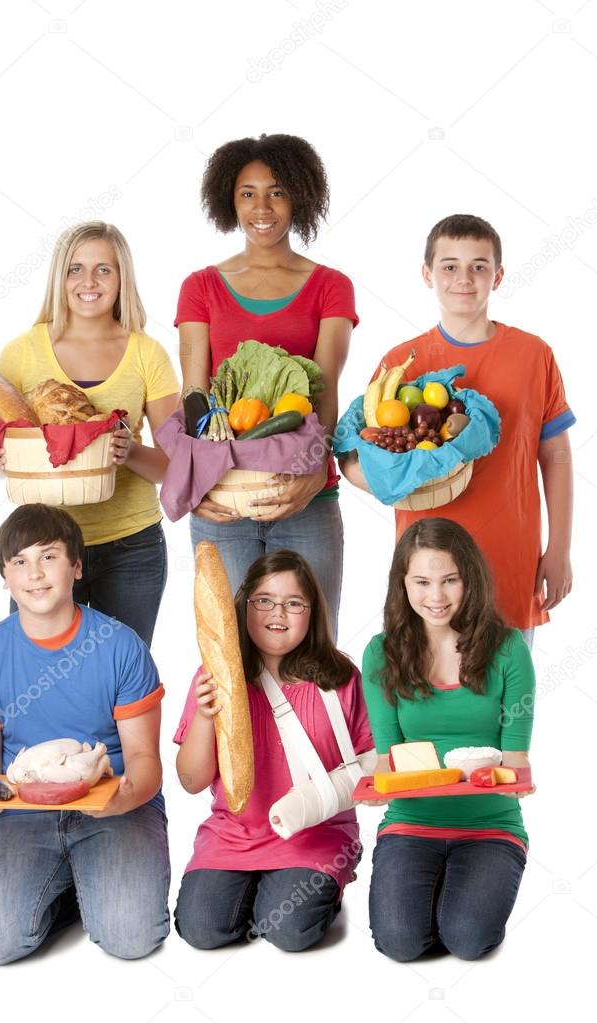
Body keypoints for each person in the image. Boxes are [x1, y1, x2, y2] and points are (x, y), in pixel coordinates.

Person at [340, 213, 574, 644]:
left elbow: (556, 456)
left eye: (478, 266)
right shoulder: (401, 361)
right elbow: (355, 457)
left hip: (509, 559)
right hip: (425, 574)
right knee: (421, 704)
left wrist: (558, 549)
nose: (463, 278)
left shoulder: (534, 354)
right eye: (449, 266)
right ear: (427, 274)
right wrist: (393, 482)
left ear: (498, 276)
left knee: (505, 703)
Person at [0, 504, 170, 964]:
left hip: (115, 806)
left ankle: (91, 883)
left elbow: (146, 763)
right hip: (22, 813)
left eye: (48, 556)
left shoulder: (121, 647)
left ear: (76, 565)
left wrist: (124, 798)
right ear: (4, 576)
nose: (34, 574)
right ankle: (71, 886)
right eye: (19, 562)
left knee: (132, 939)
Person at [176, 133, 359, 636]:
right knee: (232, 659)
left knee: (312, 653)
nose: (262, 207)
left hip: (306, 500)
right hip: (223, 502)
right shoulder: (200, 287)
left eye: (276, 192)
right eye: (247, 193)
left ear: (299, 195)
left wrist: (311, 475)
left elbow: (326, 391)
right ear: (229, 201)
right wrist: (198, 487)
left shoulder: (330, 285)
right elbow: (195, 395)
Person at [0, 221, 180, 646]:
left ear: (122, 277)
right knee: (40, 680)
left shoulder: (148, 354)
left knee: (122, 682)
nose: (88, 282)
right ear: (59, 277)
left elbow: (177, 465)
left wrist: (130, 453)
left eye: (103, 270)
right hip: (41, 550)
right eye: (75, 269)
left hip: (131, 548)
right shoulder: (20, 353)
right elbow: (2, 451)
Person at [173, 550, 373, 952]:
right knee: (201, 929)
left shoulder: (341, 678)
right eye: (263, 600)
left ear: (312, 612)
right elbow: (192, 782)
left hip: (314, 834)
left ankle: (295, 894)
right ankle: (257, 893)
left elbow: (372, 765)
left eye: (293, 603)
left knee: (289, 930)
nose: (276, 612)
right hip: (234, 835)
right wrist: (205, 717)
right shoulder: (212, 677)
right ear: (244, 605)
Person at [362, 518, 535, 962]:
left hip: (490, 826)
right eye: (421, 582)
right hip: (411, 824)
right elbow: (389, 759)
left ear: (468, 579)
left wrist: (518, 779)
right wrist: (375, 787)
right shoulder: (381, 654)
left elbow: (514, 758)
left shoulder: (509, 649)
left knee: (468, 941)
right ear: (403, 584)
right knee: (399, 944)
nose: (435, 597)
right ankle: (437, 888)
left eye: (449, 581)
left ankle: (461, 895)